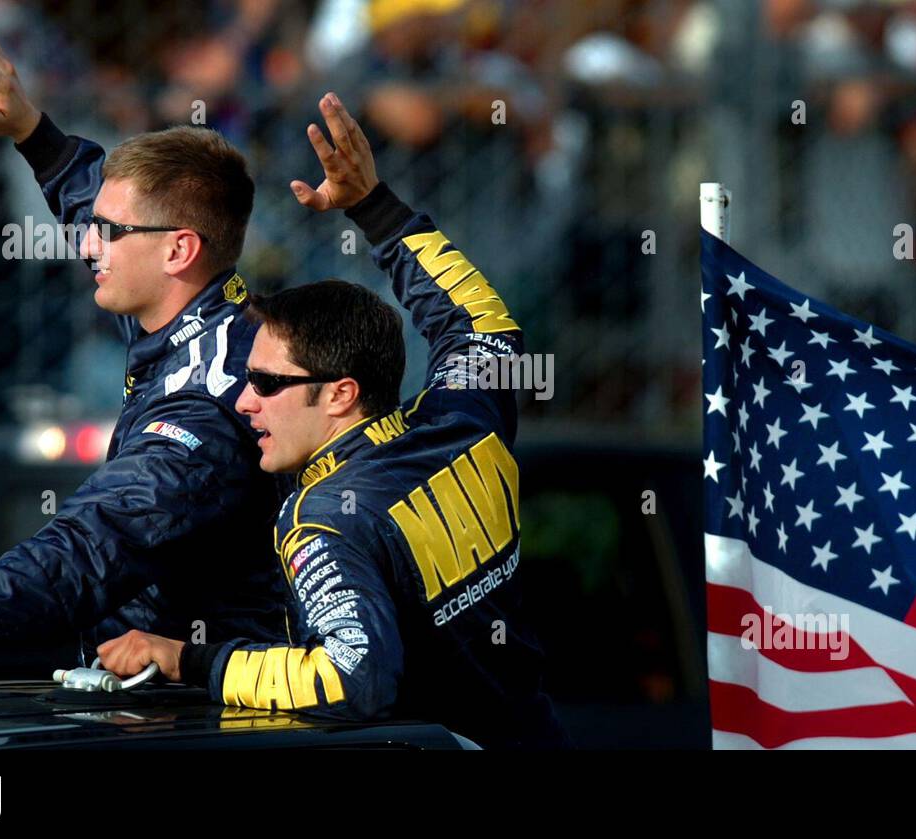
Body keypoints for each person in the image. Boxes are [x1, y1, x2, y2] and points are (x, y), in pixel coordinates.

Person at [97, 93, 569, 749]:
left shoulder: (321, 517)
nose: (244, 401)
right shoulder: (462, 419)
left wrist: (187, 658)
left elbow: (353, 677)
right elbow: (484, 326)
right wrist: (374, 206)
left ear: (342, 393)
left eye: (266, 383)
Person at [0, 27, 288, 677]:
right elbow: (92, 198)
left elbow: (78, 558)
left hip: (201, 704)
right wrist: (31, 129)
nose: (87, 245)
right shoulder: (200, 306)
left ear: (178, 250)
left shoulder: (203, 409)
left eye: (110, 234)